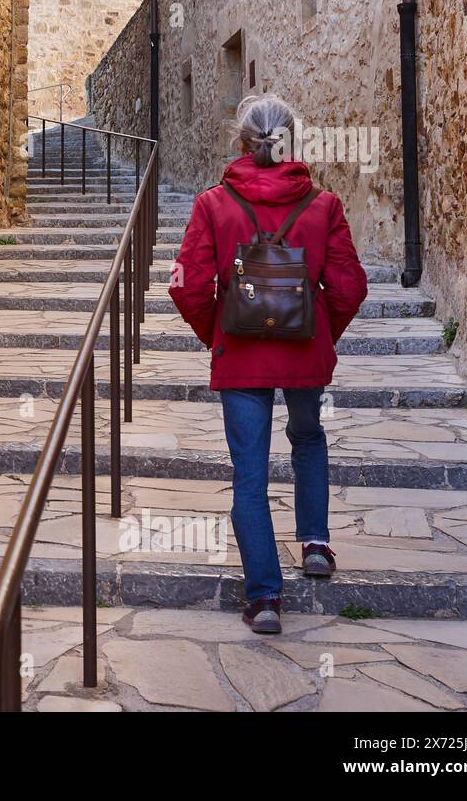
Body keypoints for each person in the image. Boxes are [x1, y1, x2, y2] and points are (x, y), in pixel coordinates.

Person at [168, 95, 369, 634]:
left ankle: (264, 600)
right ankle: (317, 545)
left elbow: (186, 285)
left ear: (241, 141)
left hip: (242, 357)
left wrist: (221, 331)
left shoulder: (213, 204)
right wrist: (319, 331)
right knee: (307, 439)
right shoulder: (324, 205)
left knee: (250, 474)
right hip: (305, 352)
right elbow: (350, 286)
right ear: (289, 142)